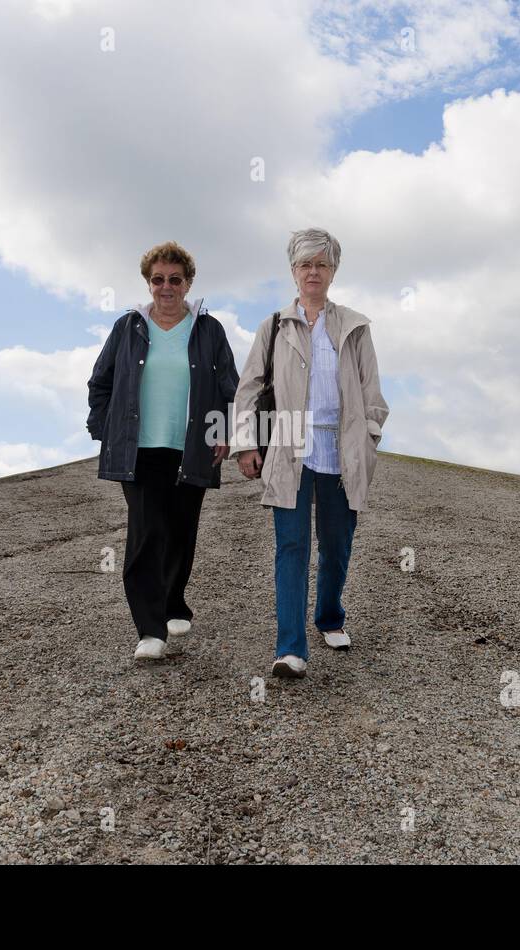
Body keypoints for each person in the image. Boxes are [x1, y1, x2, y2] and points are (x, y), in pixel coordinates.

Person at [231, 228, 389, 678]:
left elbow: (372, 391)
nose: (313, 271)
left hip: (342, 451)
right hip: (291, 450)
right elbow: (249, 389)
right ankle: (290, 649)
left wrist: (368, 439)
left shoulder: (355, 326)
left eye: (321, 264)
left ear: (333, 271)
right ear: (293, 271)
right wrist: (245, 443)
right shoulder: (274, 326)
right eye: (305, 264)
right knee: (292, 546)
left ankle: (330, 617)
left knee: (337, 546)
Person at [87, 241, 239, 661]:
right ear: (148, 283)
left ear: (188, 283)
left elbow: (231, 387)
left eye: (175, 279)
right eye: (158, 279)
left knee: (180, 531)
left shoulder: (209, 330)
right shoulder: (128, 327)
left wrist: (225, 430)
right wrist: (105, 429)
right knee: (146, 531)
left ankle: (174, 602)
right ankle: (149, 630)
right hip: (139, 450)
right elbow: (100, 382)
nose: (166, 287)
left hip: (192, 447)